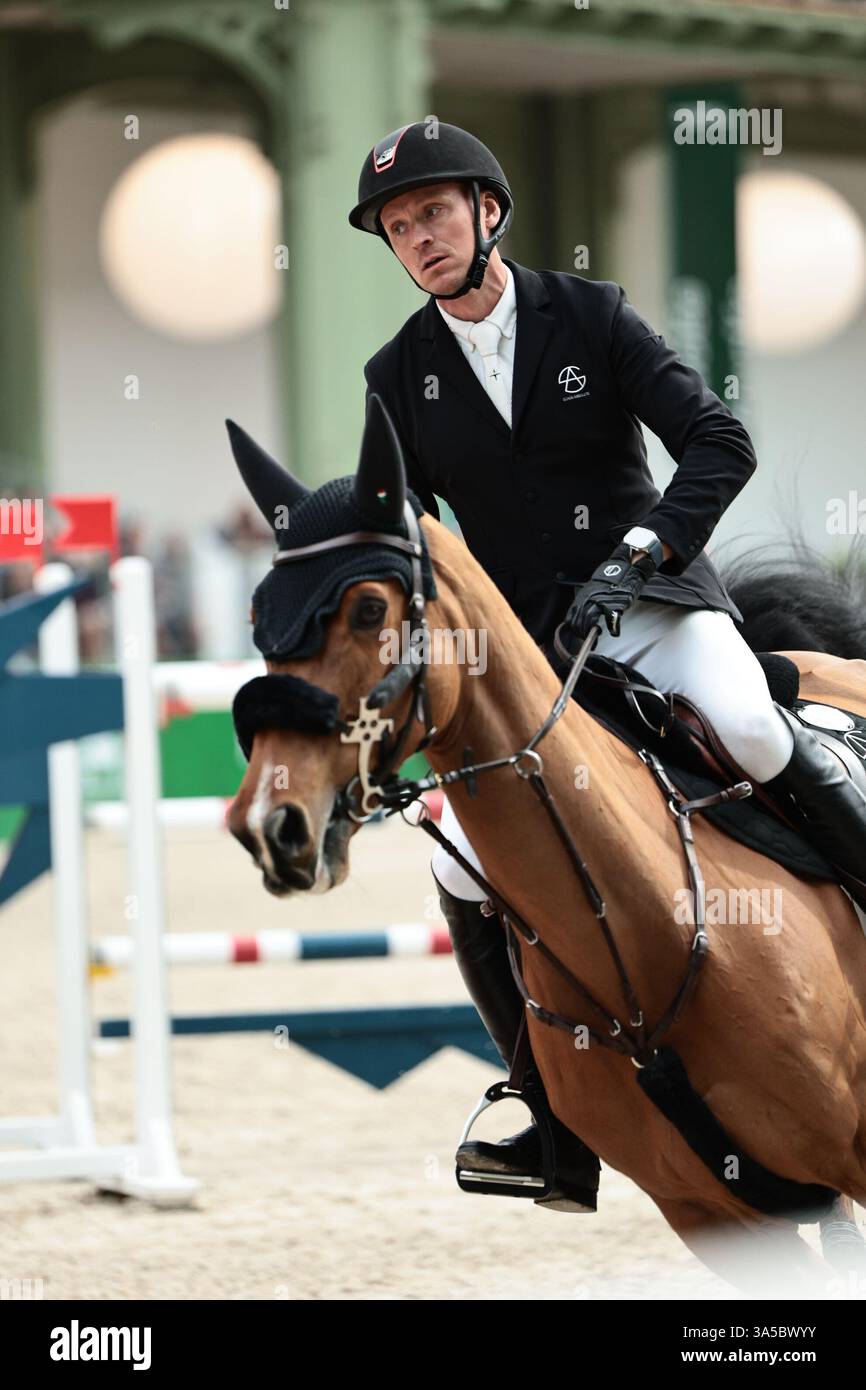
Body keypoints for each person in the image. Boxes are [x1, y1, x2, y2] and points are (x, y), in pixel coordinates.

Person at [348, 120, 866, 1213]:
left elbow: (717, 440)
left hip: (647, 607)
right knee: (453, 860)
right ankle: (544, 1111)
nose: (420, 238)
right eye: (399, 227)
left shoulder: (590, 315)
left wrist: (642, 552)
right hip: (524, 659)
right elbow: (409, 537)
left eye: (434, 212)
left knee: (756, 725)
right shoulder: (394, 375)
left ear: (488, 212)